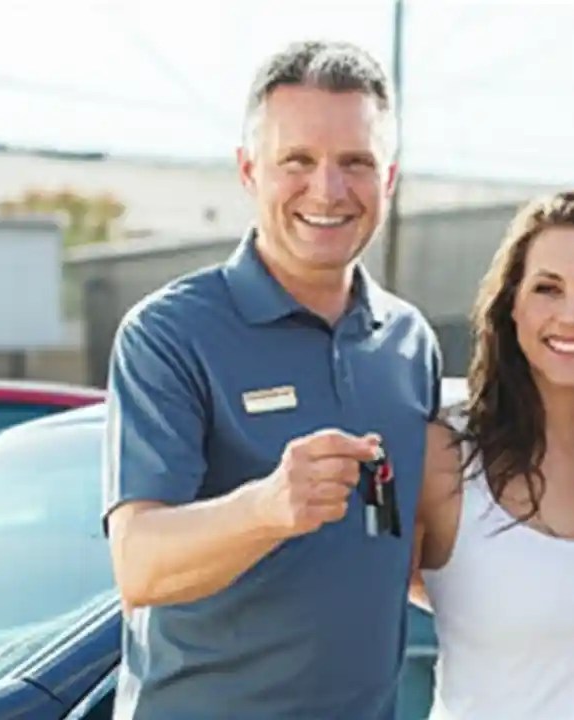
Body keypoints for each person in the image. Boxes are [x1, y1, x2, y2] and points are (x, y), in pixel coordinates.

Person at [101, 39, 441, 719]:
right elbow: (138, 567)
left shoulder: (409, 344)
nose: (328, 190)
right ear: (249, 170)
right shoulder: (168, 334)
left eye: (356, 163)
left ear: (390, 178)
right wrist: (266, 508)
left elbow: (393, 546)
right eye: (298, 161)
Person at [412, 190, 574, 719]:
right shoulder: (442, 453)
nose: (571, 315)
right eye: (547, 288)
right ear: (511, 303)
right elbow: (366, 589)